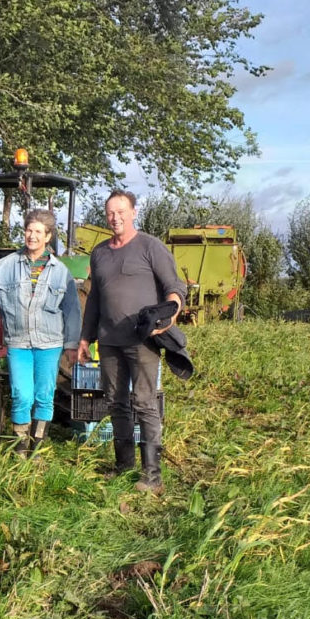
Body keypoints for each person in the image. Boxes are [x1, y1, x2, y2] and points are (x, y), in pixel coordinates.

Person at [76, 189, 186, 493]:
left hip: (143, 340)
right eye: (111, 212)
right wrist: (86, 338)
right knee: (115, 402)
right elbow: (95, 299)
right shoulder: (99, 253)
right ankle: (123, 467)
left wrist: (170, 314)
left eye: (121, 211)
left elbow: (174, 287)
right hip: (109, 341)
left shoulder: (151, 247)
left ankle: (153, 476)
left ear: (133, 212)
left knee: (145, 403)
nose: (116, 217)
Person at [0, 208, 81, 454]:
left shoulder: (61, 273)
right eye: (29, 230)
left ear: (48, 236)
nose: (32, 236)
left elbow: (71, 311)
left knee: (43, 395)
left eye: (38, 231)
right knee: (21, 394)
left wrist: (71, 344)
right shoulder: (3, 267)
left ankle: (37, 449)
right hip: (18, 342)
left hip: (49, 343)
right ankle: (20, 449)